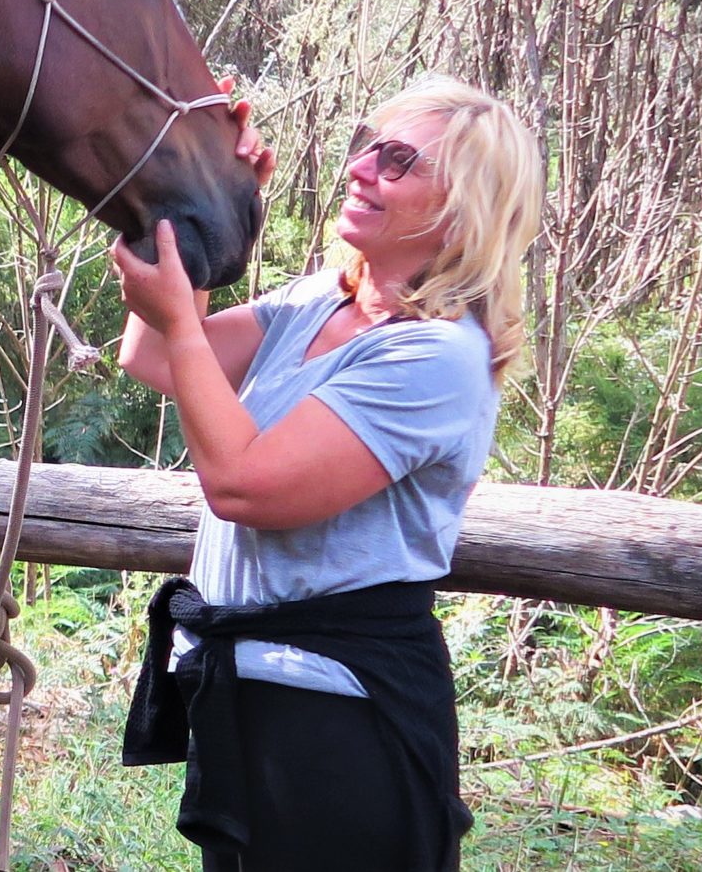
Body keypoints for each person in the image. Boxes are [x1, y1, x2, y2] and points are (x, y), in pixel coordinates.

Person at [110, 76, 543, 872]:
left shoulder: (436, 355)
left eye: (399, 159)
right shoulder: (322, 301)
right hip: (249, 701)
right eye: (365, 145)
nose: (361, 168)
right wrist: (191, 197)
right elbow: (156, 355)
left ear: (465, 208)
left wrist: (181, 316)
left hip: (343, 722)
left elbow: (247, 487)